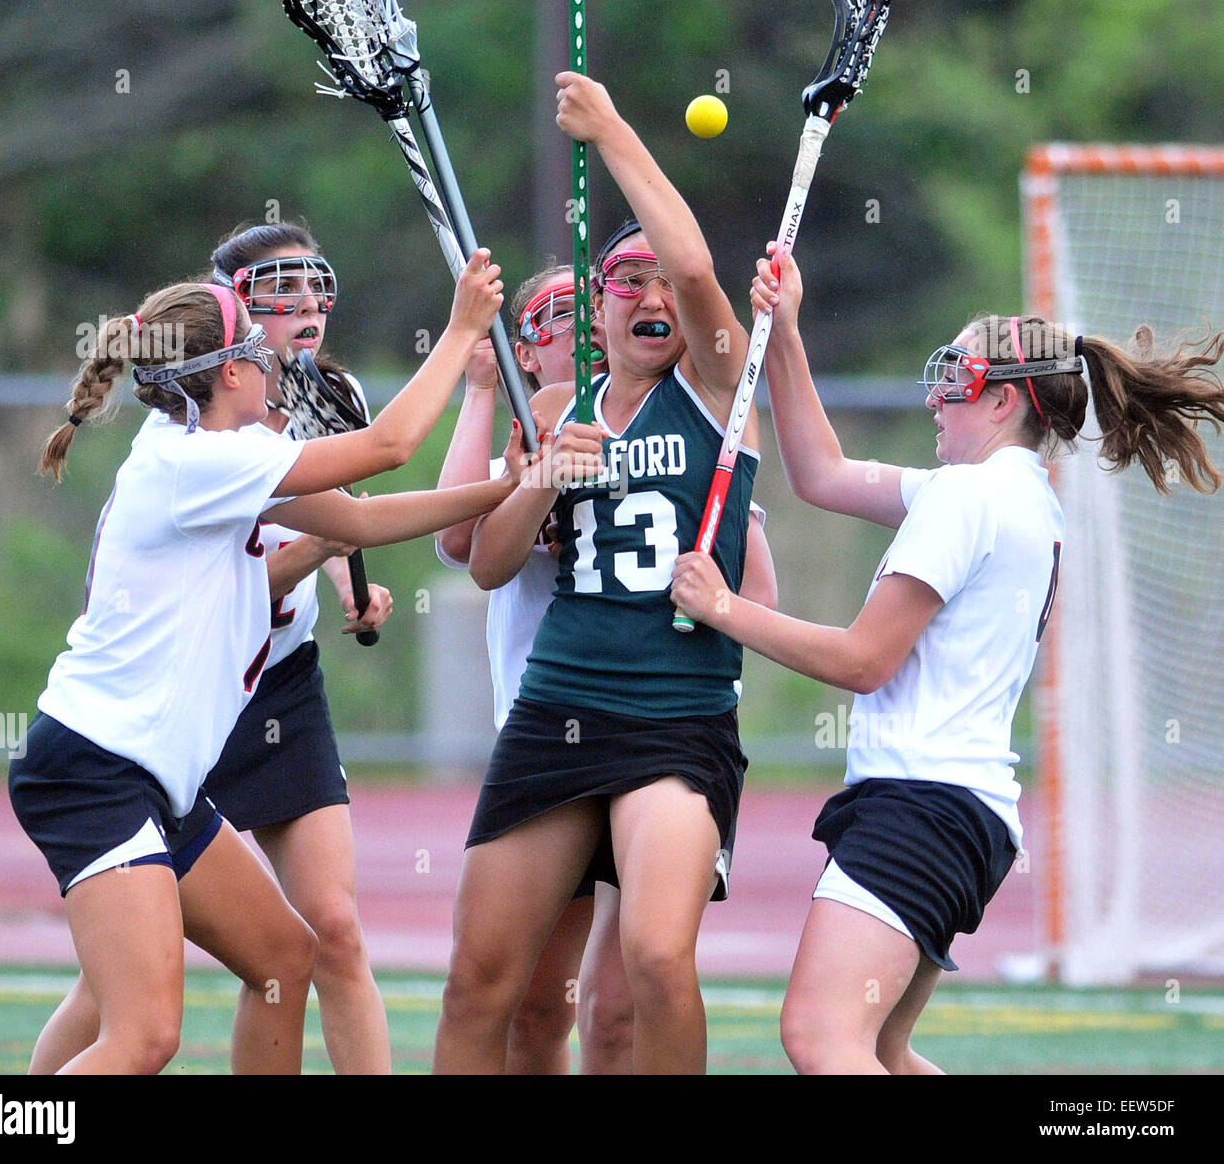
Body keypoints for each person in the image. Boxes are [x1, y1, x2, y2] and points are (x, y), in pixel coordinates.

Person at [669, 245, 1224, 1074]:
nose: (934, 393)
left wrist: (723, 608)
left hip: (924, 806)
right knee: (883, 1046)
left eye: (954, 376)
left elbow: (864, 660)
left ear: (1002, 398)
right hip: (956, 811)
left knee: (822, 1037)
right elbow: (821, 473)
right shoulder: (1010, 494)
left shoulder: (969, 498)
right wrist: (784, 332)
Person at [14, 254, 515, 1073]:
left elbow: (368, 517)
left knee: (285, 956)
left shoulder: (210, 453)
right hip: (95, 768)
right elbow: (389, 446)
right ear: (230, 371)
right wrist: (462, 331)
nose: (269, 358)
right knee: (142, 1033)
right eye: (254, 344)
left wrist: (506, 489)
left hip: (150, 774)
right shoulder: (198, 463)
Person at [432, 72, 761, 1076]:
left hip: (675, 714)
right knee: (480, 985)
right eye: (628, 279)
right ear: (599, 306)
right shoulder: (563, 418)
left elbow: (700, 267)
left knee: (657, 961)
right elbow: (486, 564)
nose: (655, 293)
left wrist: (612, 128)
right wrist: (540, 482)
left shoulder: (712, 390)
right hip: (558, 701)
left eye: (662, 280)